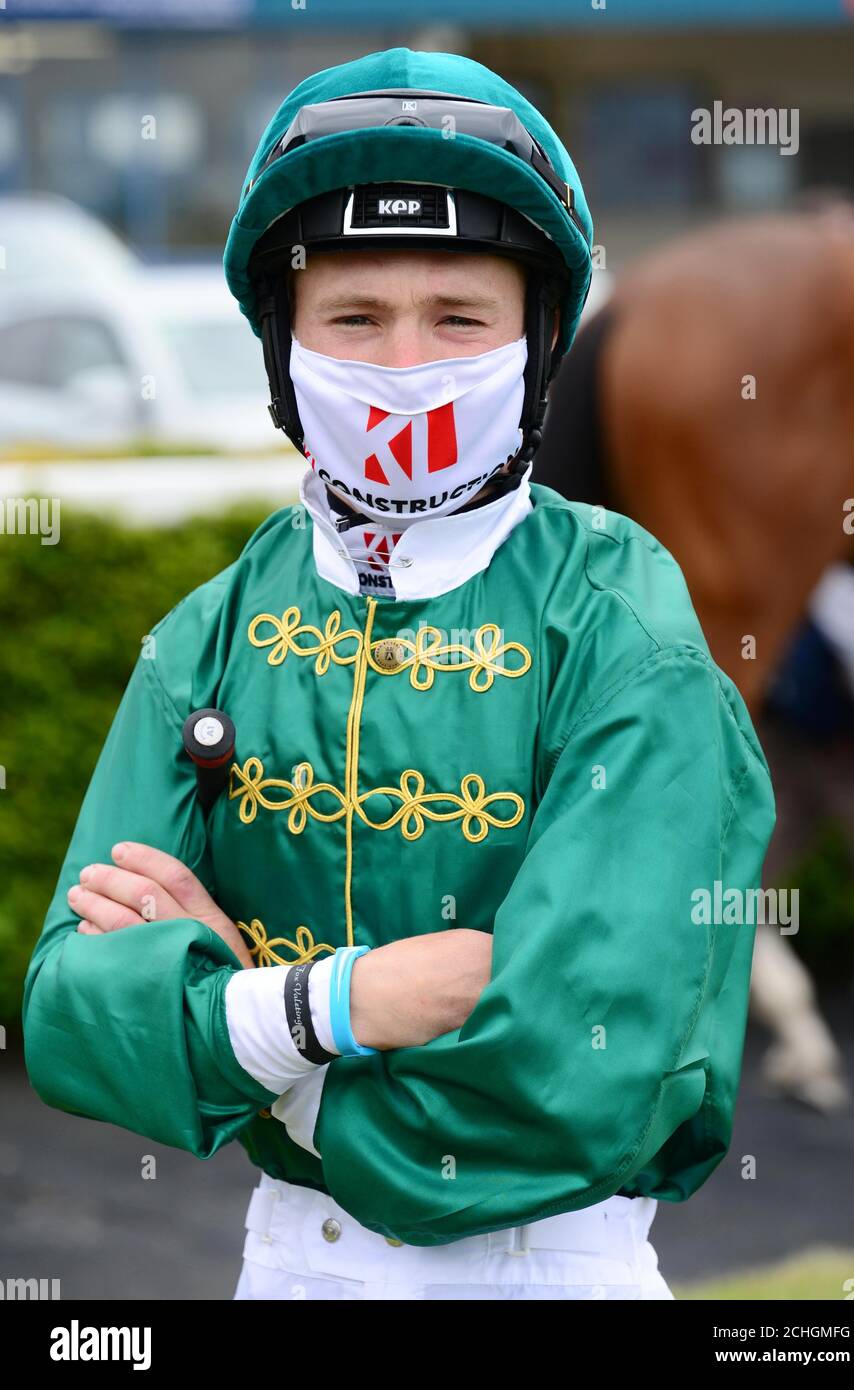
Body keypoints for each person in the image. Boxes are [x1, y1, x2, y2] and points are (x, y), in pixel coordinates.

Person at [22, 47, 776, 1301]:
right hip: (285, 1262)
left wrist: (246, 1025)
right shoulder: (212, 627)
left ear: (537, 341)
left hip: (553, 1271)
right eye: (356, 318)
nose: (407, 366)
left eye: (460, 318)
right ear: (286, 343)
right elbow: (72, 1011)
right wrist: (336, 1003)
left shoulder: (622, 626)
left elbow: (579, 1085)